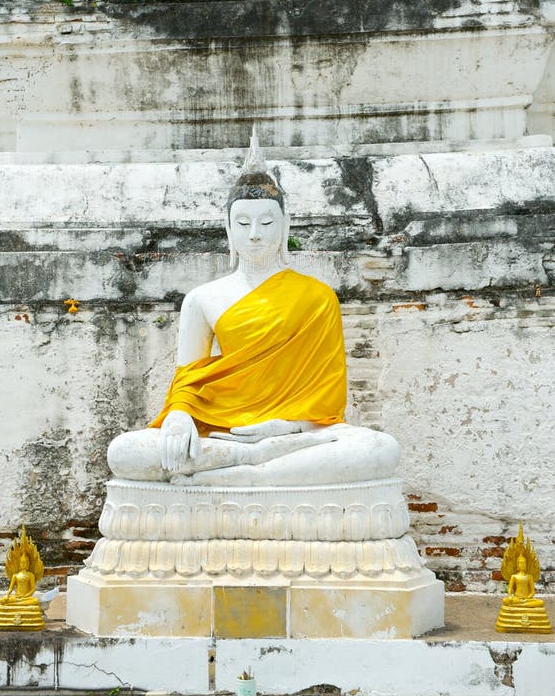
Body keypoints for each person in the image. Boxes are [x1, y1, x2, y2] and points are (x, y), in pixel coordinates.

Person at [108, 139, 399, 486]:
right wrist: (178, 416)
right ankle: (248, 461)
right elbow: (187, 380)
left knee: (379, 449)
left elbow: (328, 400)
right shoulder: (202, 298)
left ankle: (248, 472)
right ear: (228, 229)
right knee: (124, 452)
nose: (255, 235)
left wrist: (290, 426)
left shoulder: (317, 297)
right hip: (222, 426)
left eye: (266, 222)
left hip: (292, 435)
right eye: (243, 223)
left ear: (285, 225)